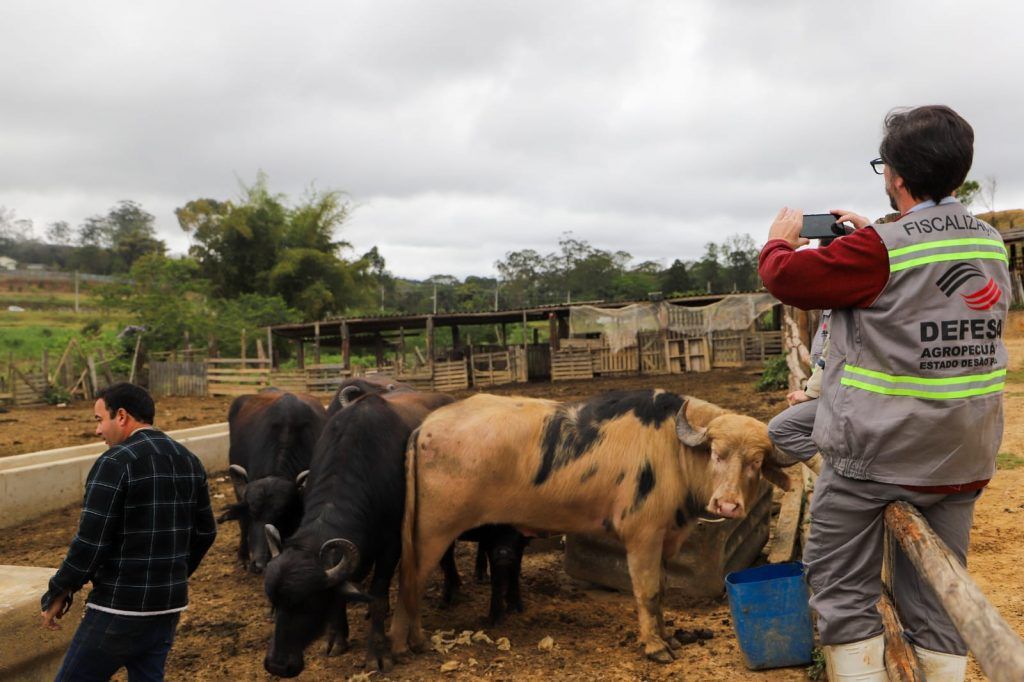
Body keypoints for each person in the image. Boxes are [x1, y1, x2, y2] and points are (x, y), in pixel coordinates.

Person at [759, 105, 1009, 682]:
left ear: (894, 174)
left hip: (878, 457)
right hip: (964, 454)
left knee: (841, 587)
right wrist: (873, 230)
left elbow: (786, 278)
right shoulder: (992, 244)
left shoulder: (879, 249)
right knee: (941, 591)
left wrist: (779, 243)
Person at [40, 383, 217, 681]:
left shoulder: (115, 462)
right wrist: (173, 574)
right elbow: (206, 532)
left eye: (99, 419)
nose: (97, 431)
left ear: (121, 416)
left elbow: (90, 542)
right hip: (167, 607)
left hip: (118, 608)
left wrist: (60, 589)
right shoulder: (189, 460)